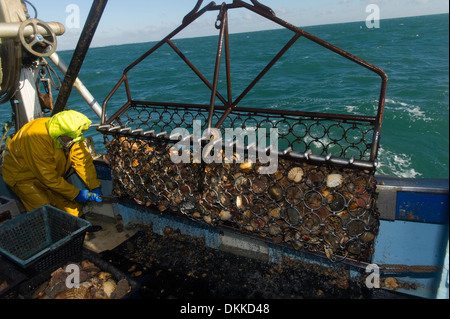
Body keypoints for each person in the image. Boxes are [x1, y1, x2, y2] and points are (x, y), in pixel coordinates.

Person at [1, 110, 103, 230]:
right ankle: (53, 239)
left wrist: (94, 185)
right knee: (44, 208)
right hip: (22, 177)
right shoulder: (36, 137)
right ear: (60, 133)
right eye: (69, 138)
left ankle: (82, 228)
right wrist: (76, 193)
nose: (72, 140)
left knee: (68, 203)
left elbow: (82, 161)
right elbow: (48, 178)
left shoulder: (71, 133)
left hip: (49, 173)